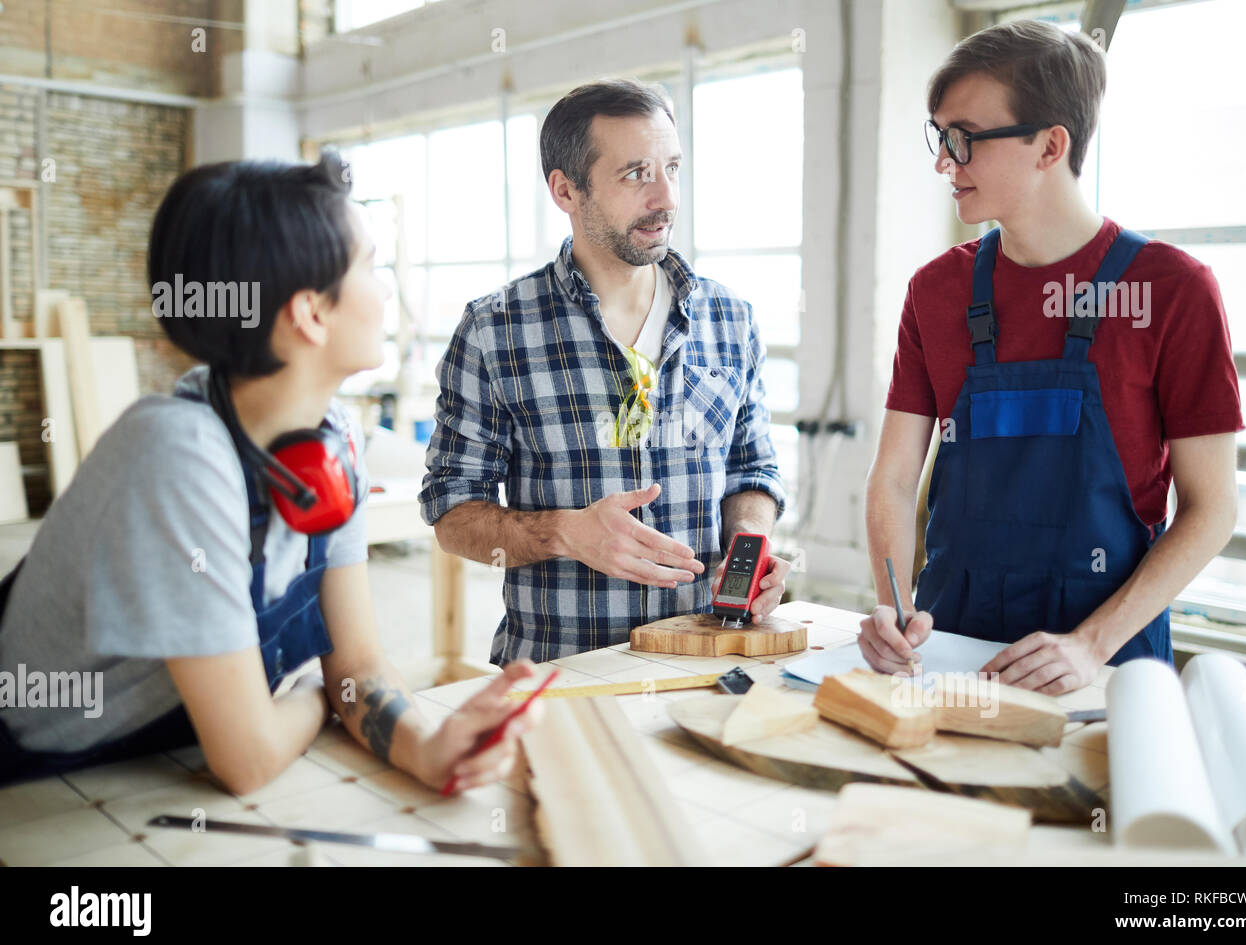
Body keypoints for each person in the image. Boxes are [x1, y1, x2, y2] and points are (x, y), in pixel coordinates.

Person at [0, 155, 542, 792]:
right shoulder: (177, 455)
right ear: (310, 313)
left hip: (144, 765)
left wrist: (429, 747)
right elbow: (249, 757)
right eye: (369, 266)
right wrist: (318, 693)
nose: (386, 290)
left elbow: (360, 665)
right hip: (31, 776)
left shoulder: (331, 436)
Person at [859, 20, 1243, 694]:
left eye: (965, 139)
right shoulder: (936, 293)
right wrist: (894, 606)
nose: (945, 163)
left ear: (1049, 145)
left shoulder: (1172, 289)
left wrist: (1090, 646)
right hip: (949, 655)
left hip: (1104, 668)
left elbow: (1213, 508)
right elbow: (892, 476)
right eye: (940, 137)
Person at [422, 79, 790, 664]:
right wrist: (565, 532)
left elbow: (752, 469)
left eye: (673, 167)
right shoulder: (496, 330)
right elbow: (451, 513)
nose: (665, 197)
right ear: (566, 190)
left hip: (707, 663)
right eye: (636, 174)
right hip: (555, 678)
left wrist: (752, 542)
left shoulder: (731, 319)